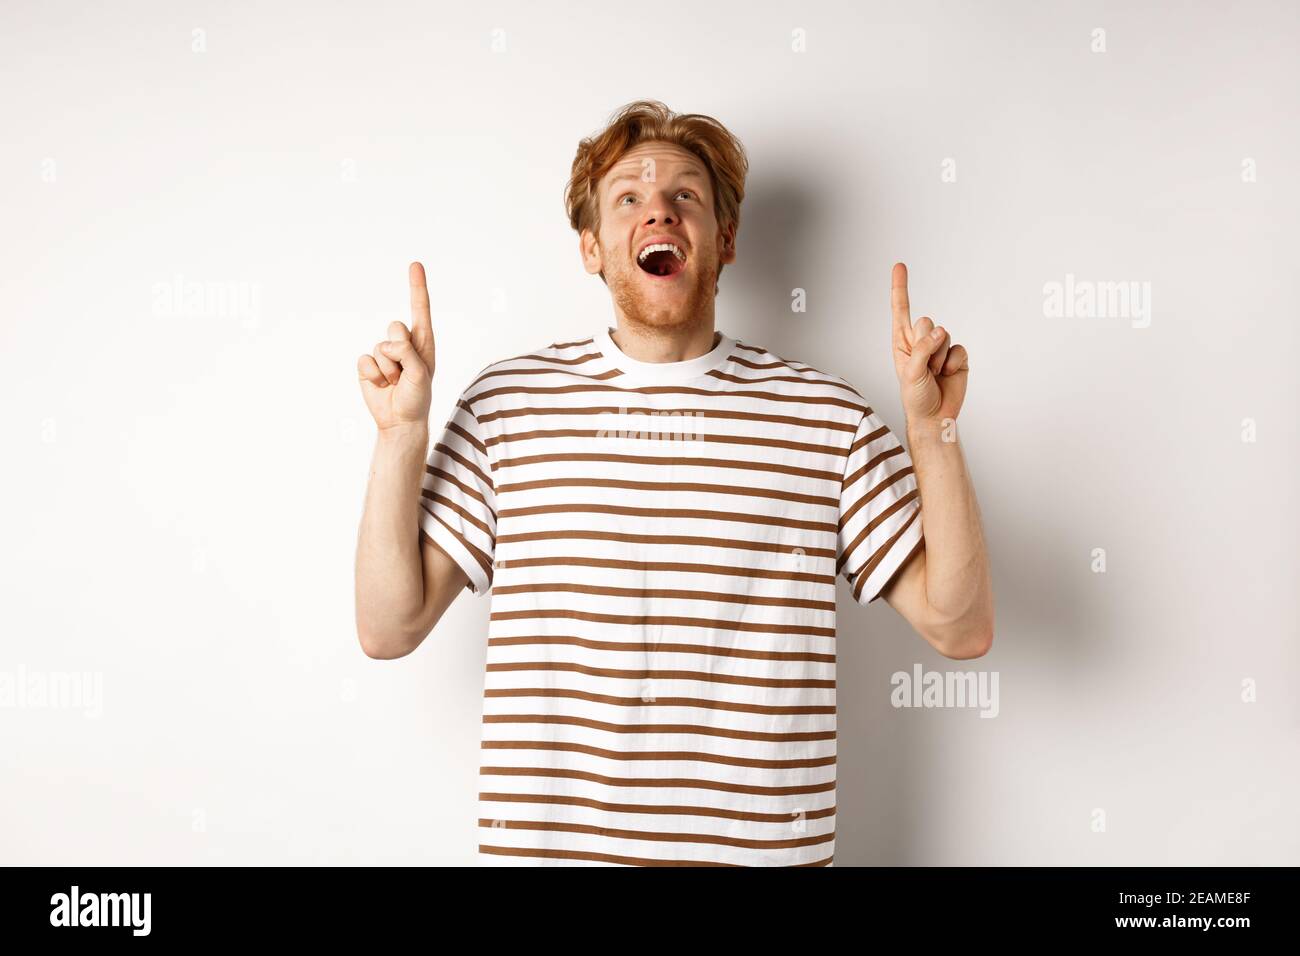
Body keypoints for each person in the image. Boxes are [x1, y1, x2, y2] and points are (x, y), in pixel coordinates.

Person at [353, 100, 993, 866]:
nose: (658, 210)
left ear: (724, 240)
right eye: (629, 198)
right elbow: (388, 628)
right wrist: (400, 437)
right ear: (592, 246)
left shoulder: (827, 417)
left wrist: (933, 432)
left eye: (685, 194)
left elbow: (961, 627)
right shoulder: (507, 408)